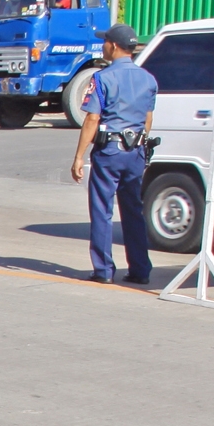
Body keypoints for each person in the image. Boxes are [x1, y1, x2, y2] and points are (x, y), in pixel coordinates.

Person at [73, 23, 160, 285]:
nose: (103, 46)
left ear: (113, 46)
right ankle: (140, 269)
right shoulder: (148, 79)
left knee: (102, 210)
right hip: (135, 152)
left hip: (109, 150)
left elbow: (92, 118)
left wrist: (79, 156)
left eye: (105, 42)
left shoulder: (102, 78)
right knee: (133, 210)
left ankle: (103, 270)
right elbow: (147, 119)